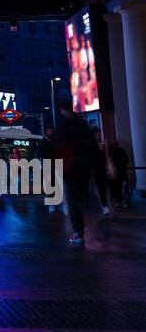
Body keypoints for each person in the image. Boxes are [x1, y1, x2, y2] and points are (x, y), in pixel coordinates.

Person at [55, 101, 103, 245]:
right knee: (80, 198)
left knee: (72, 201)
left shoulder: (64, 127)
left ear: (63, 110)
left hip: (71, 169)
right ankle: (80, 227)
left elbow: (60, 148)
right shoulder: (83, 125)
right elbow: (93, 147)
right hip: (85, 168)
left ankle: (78, 232)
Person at [108, 137, 131, 209]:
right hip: (122, 170)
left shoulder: (111, 151)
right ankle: (123, 202)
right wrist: (123, 165)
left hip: (115, 172)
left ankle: (118, 203)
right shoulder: (121, 149)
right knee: (122, 187)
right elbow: (127, 159)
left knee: (116, 188)